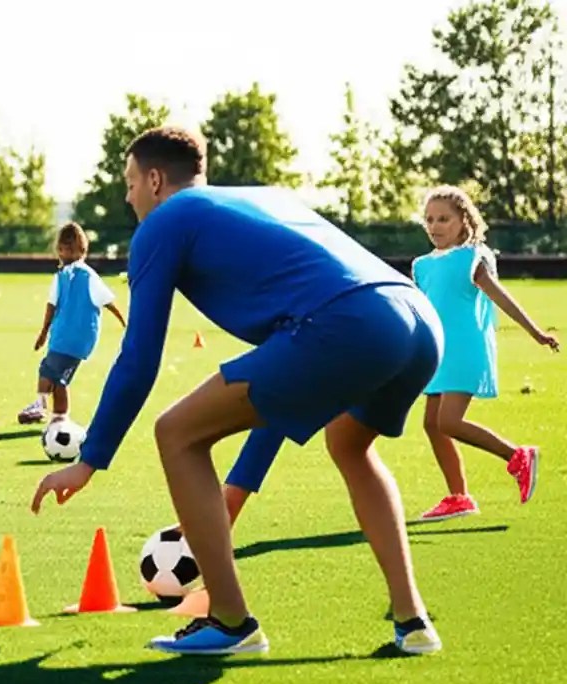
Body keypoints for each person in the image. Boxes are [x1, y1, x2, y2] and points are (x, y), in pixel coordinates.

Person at [31, 126, 444, 656]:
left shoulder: (163, 224)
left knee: (176, 432)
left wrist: (90, 459)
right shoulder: (260, 198)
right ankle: (413, 624)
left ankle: (230, 623)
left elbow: (139, 357)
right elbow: (285, 389)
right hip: (415, 319)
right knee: (349, 445)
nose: (128, 196)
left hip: (349, 323)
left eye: (131, 183)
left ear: (155, 180)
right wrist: (237, 488)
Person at [412, 185, 558, 522]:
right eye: (430, 220)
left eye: (444, 219)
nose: (435, 226)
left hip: (465, 350)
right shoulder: (421, 266)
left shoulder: (471, 258)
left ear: (464, 220)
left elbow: (501, 296)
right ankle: (458, 497)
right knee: (433, 425)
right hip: (436, 354)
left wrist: (535, 331)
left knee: (448, 421)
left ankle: (517, 455)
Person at [17, 222, 126, 425]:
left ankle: (41, 406)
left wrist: (125, 323)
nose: (64, 254)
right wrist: (125, 323)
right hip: (77, 340)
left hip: (67, 338)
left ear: (81, 252)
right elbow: (106, 302)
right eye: (62, 250)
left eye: (68, 250)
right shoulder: (76, 277)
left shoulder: (78, 276)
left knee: (48, 371)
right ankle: (58, 418)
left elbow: (107, 302)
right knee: (59, 378)